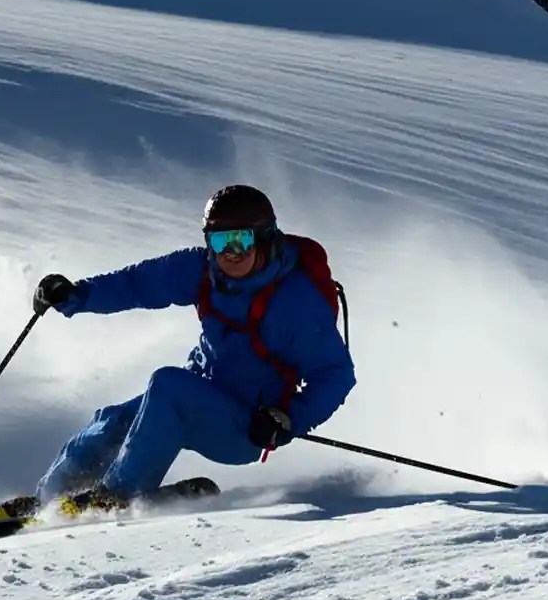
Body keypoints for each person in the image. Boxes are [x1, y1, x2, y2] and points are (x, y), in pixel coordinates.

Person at [30, 184, 356, 511]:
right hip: (201, 393)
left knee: (168, 387)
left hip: (246, 427)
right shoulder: (203, 271)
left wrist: (288, 419)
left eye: (240, 241)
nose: (230, 253)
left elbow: (336, 374)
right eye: (220, 242)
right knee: (115, 420)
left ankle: (117, 496)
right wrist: (74, 296)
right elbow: (136, 284)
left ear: (264, 238)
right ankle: (49, 499)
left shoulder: (295, 302)